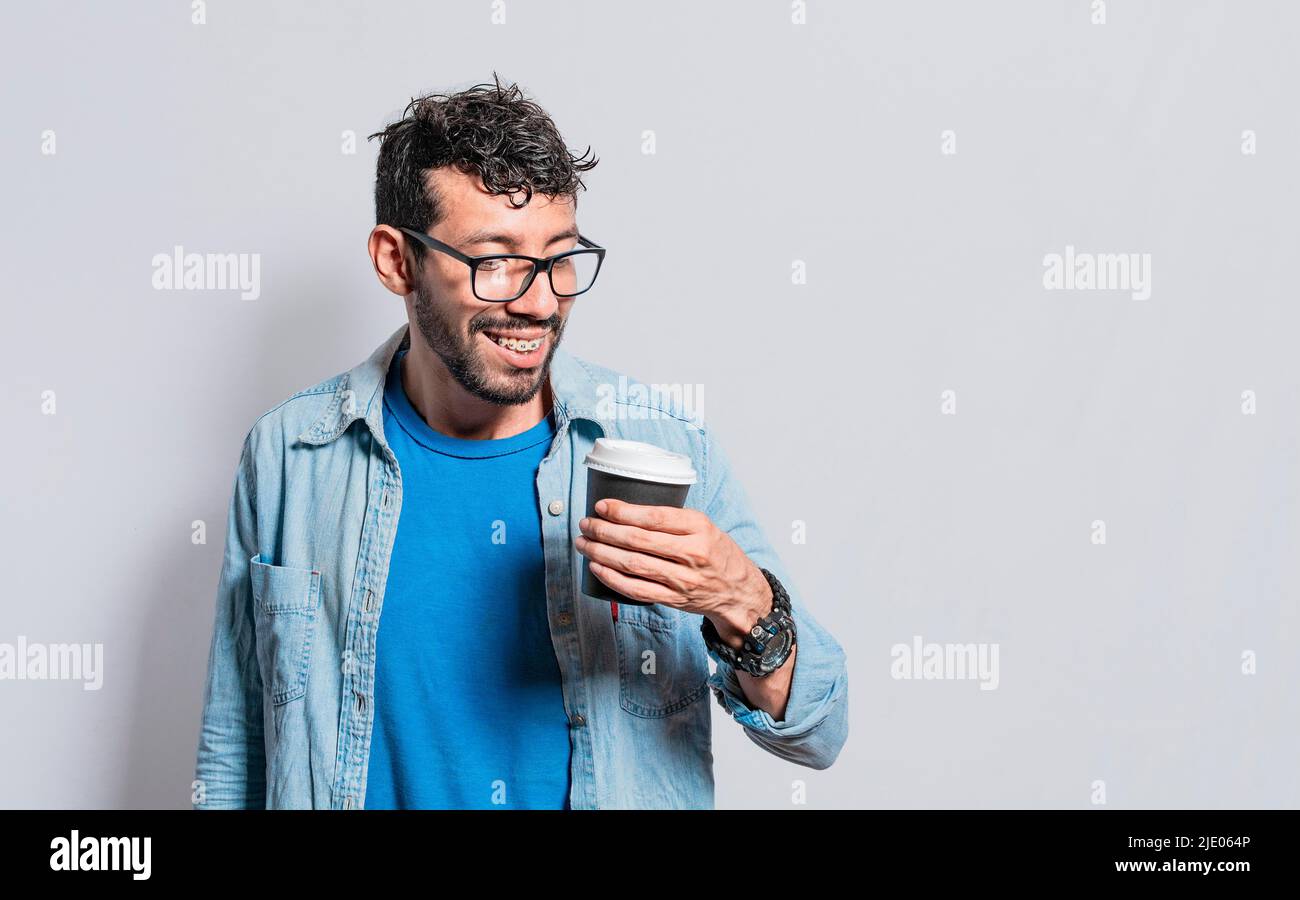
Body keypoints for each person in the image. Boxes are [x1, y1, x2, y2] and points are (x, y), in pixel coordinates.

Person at [193, 73, 848, 810]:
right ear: (395, 260)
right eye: (495, 260)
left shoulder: (661, 442)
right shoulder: (290, 456)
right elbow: (234, 752)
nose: (538, 302)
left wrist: (743, 600)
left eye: (559, 258)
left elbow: (817, 732)